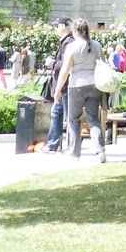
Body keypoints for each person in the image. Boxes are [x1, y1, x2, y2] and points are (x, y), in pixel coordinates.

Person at [54, 17, 106, 162]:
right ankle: (99, 150)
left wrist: (58, 89)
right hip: (94, 85)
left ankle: (75, 152)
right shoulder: (97, 45)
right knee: (93, 120)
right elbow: (104, 64)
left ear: (76, 31)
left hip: (76, 85)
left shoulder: (72, 46)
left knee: (74, 120)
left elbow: (65, 71)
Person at [43, 18, 74, 152]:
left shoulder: (69, 43)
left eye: (57, 26)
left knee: (68, 117)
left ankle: (59, 145)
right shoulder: (65, 42)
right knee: (57, 113)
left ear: (63, 26)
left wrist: (52, 63)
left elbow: (64, 65)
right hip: (63, 85)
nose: (56, 29)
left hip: (65, 85)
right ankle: (54, 144)